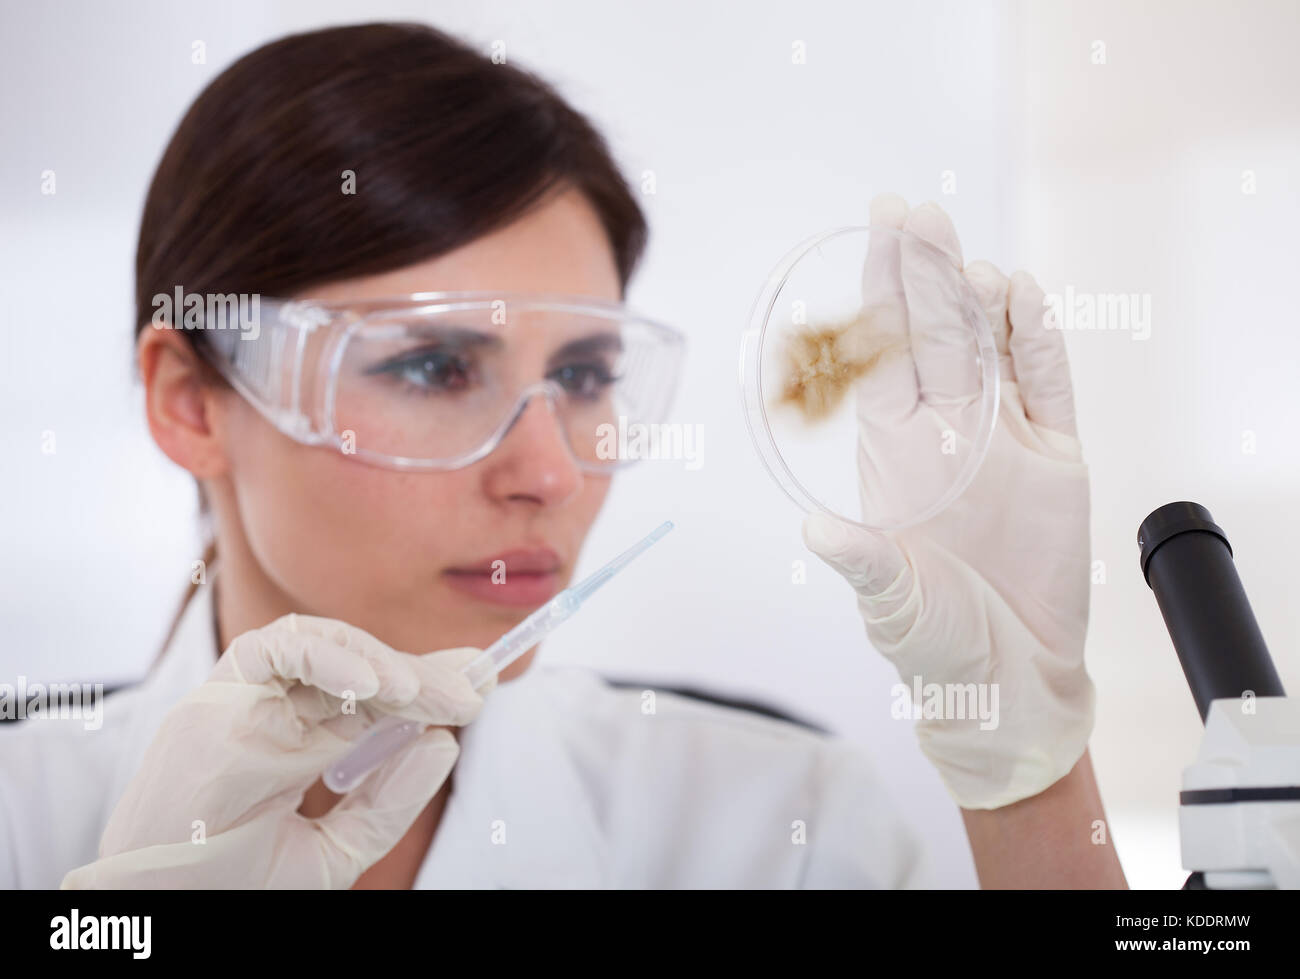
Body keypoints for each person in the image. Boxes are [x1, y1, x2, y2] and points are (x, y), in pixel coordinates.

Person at [0, 22, 1125, 889]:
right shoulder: (25, 819)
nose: (547, 471)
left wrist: (1027, 781)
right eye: (435, 368)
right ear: (193, 401)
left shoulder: (768, 825)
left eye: (584, 375)